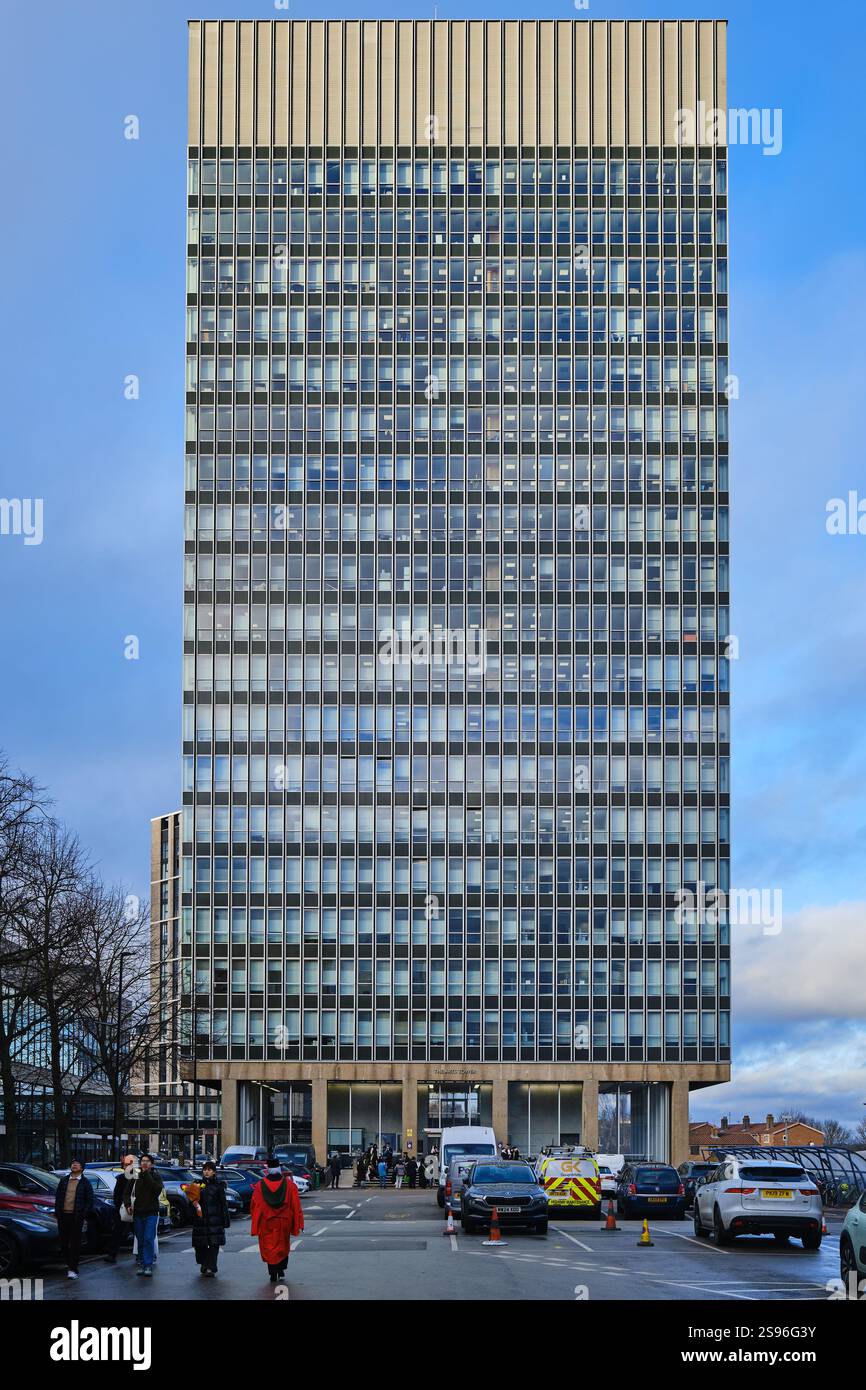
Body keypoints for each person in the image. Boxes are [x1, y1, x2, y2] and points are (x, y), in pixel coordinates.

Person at [250, 1157, 304, 1283]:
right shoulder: (290, 1186)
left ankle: (272, 1272)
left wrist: (256, 1223)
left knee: (269, 1247)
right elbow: (295, 1205)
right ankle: (281, 1269)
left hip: (267, 1222)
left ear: (268, 1170)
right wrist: (299, 1222)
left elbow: (255, 1206)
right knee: (283, 1245)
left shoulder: (259, 1186)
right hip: (284, 1221)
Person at [54, 1158, 95, 1280]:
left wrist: (83, 1213)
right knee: (63, 1243)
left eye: (77, 1164)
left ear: (82, 1168)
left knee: (75, 1244)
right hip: (63, 1216)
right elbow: (58, 1197)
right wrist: (57, 1211)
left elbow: (90, 1200)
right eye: (73, 1164)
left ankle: (73, 1269)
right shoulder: (64, 1180)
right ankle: (69, 1264)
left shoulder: (85, 1182)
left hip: (76, 1217)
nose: (74, 1165)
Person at [190, 1159, 231, 1277]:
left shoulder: (218, 1187)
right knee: (200, 1245)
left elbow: (224, 1204)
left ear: (214, 1172)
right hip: (200, 1220)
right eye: (205, 1170)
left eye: (209, 1170)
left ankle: (211, 1267)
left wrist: (225, 1220)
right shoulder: (197, 1184)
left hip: (215, 1220)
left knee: (214, 1245)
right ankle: (204, 1264)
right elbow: (192, 1202)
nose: (206, 1172)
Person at [131, 1153, 164, 1277]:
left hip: (151, 1212)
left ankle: (148, 1264)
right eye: (142, 1161)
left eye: (147, 1161)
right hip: (138, 1212)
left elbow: (155, 1190)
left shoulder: (156, 1177)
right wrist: (128, 1204)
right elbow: (127, 1192)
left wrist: (145, 1174)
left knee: (149, 1238)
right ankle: (141, 1262)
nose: (144, 1163)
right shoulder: (135, 1176)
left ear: (152, 1164)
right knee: (140, 1239)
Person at [104, 1154, 136, 1263]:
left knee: (121, 1231)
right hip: (125, 1208)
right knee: (120, 1231)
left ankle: (112, 1254)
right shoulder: (125, 1178)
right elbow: (117, 1194)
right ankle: (113, 1254)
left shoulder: (127, 1178)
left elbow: (117, 1194)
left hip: (128, 1208)